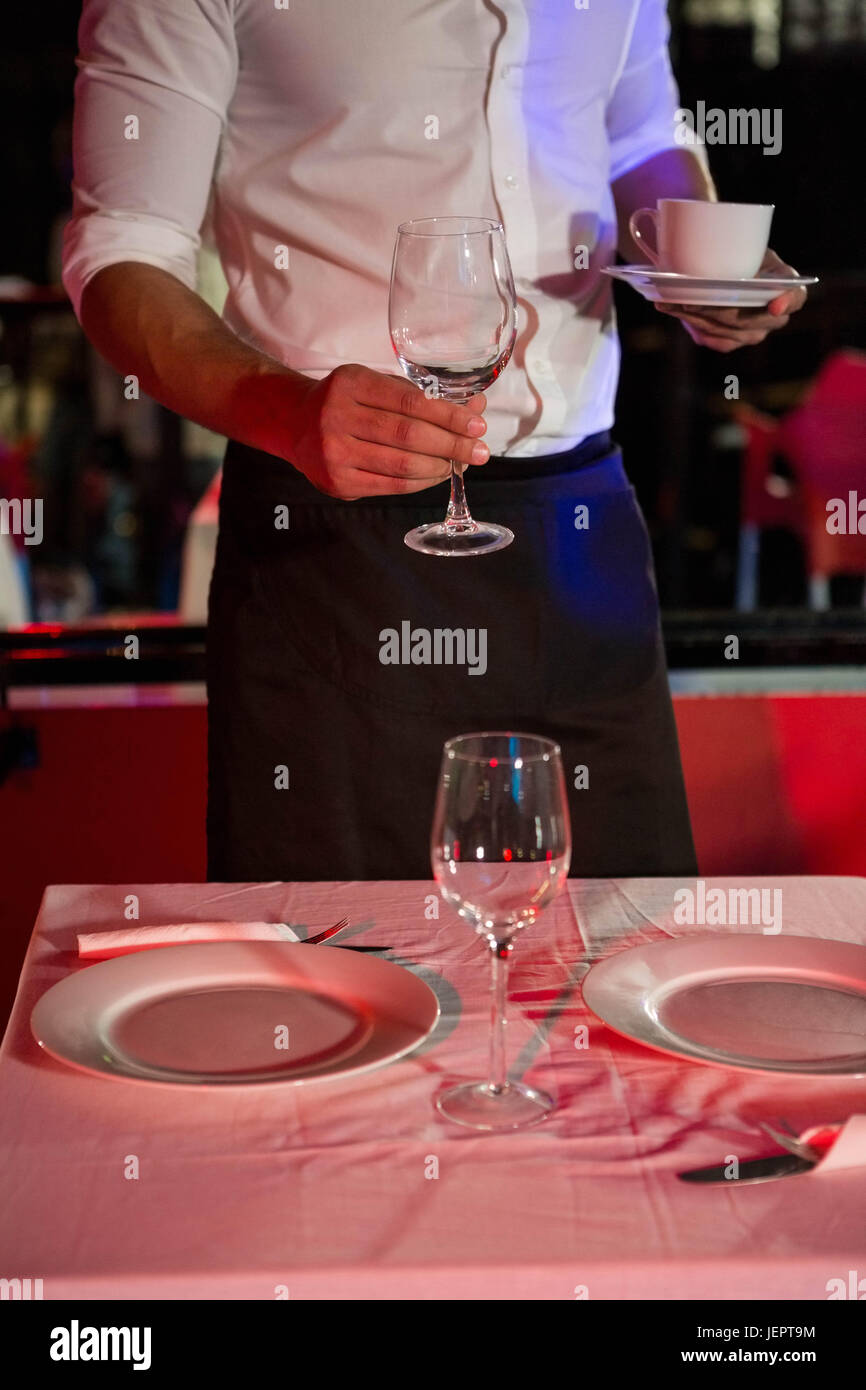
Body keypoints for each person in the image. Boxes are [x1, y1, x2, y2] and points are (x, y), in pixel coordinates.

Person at [63, 1, 805, 881]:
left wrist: (698, 254)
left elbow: (639, 136)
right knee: (343, 981)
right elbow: (124, 250)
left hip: (584, 532)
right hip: (334, 533)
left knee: (621, 961)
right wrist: (284, 412)